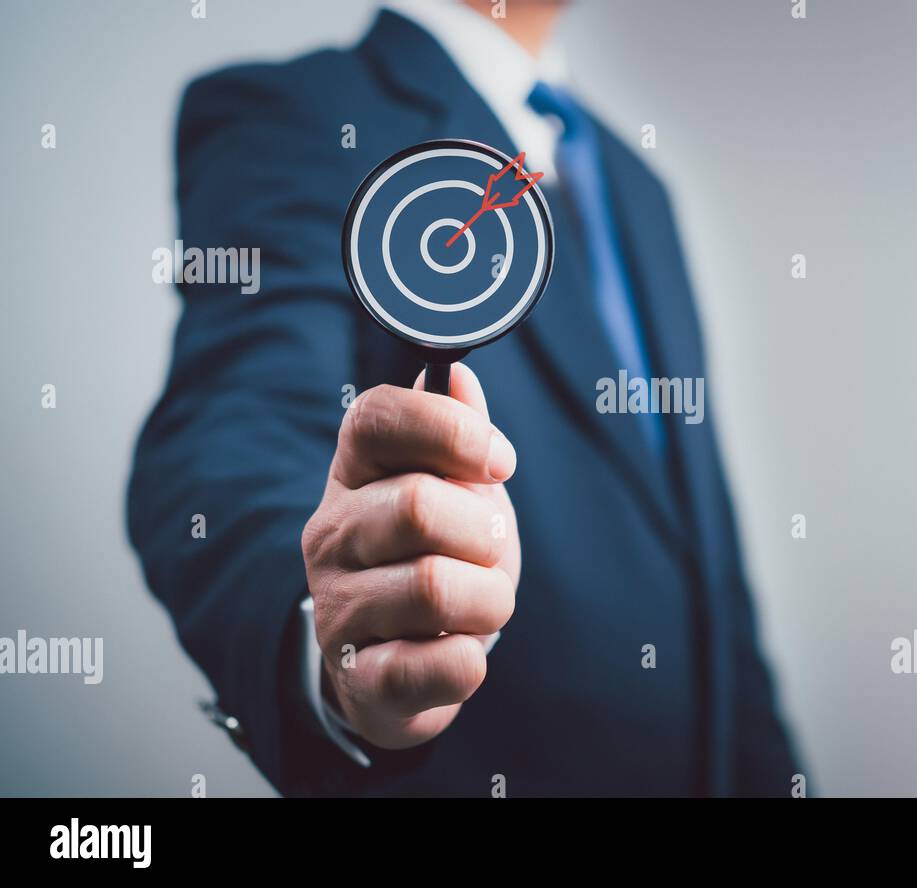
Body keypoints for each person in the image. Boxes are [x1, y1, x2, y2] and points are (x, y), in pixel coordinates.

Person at [128, 0, 800, 797]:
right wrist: (345, 653)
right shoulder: (297, 114)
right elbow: (229, 435)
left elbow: (706, 569)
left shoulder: (638, 184)